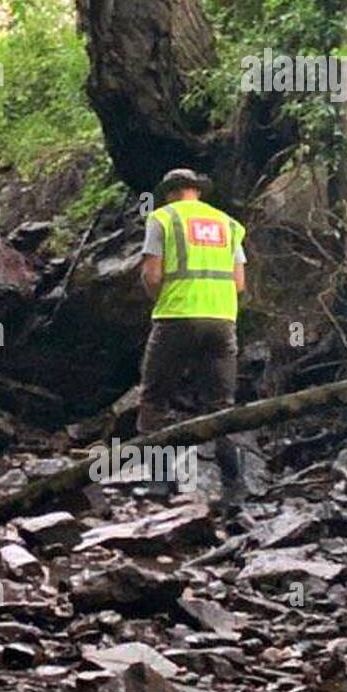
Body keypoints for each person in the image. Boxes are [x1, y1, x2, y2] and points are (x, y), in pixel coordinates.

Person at [138, 168, 247, 501]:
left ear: (170, 192)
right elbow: (240, 283)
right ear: (197, 191)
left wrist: (165, 300)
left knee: (156, 400)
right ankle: (234, 486)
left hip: (176, 317)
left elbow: (151, 274)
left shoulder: (162, 218)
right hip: (221, 319)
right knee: (222, 406)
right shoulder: (228, 224)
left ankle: (160, 482)